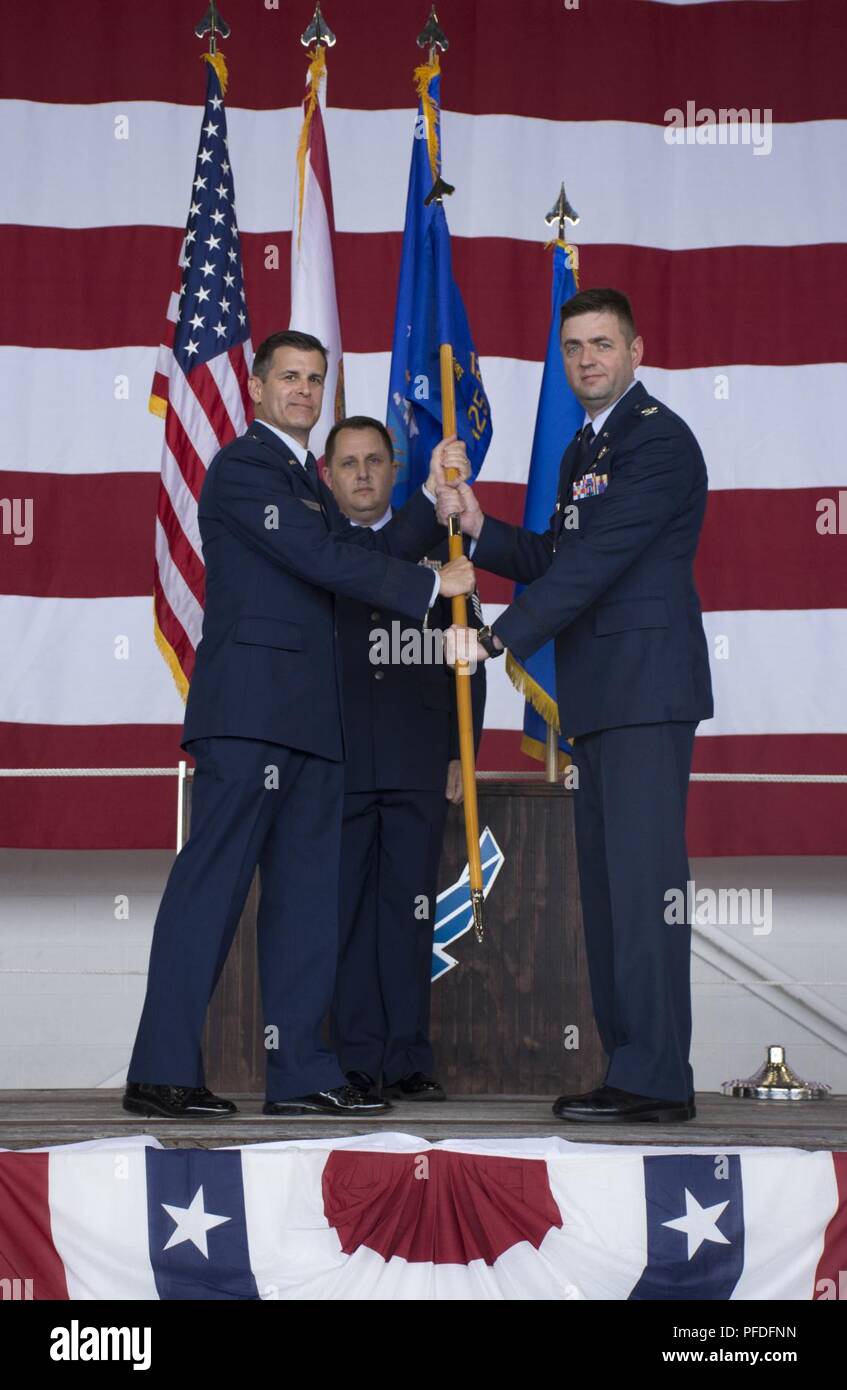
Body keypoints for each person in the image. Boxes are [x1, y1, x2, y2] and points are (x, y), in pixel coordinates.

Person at [124, 330, 475, 1121]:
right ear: (255, 387)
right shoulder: (246, 467)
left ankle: (300, 1074)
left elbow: (354, 543)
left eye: (316, 379)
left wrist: (429, 503)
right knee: (211, 892)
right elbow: (323, 559)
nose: (304, 391)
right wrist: (429, 588)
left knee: (307, 905)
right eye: (289, 377)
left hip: (317, 726)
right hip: (249, 717)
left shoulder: (308, 485)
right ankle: (161, 1070)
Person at [440, 288, 713, 1123]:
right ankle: (630, 1067)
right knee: (608, 890)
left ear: (635, 350)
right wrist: (478, 527)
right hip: (600, 698)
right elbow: (557, 553)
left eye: (601, 343)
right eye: (573, 347)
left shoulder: (658, 441)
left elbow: (595, 568)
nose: (587, 359)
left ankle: (656, 1078)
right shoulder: (583, 450)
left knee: (642, 887)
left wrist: (497, 639)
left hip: (643, 690)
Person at [322, 416, 486, 1103]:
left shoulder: (437, 549)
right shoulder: (317, 545)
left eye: (374, 461)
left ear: (394, 471)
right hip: (337, 761)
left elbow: (468, 654)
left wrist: (462, 751)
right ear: (327, 476)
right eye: (348, 462)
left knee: (410, 912)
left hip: (419, 759)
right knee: (349, 914)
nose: (362, 473)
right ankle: (357, 1060)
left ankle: (408, 1057)